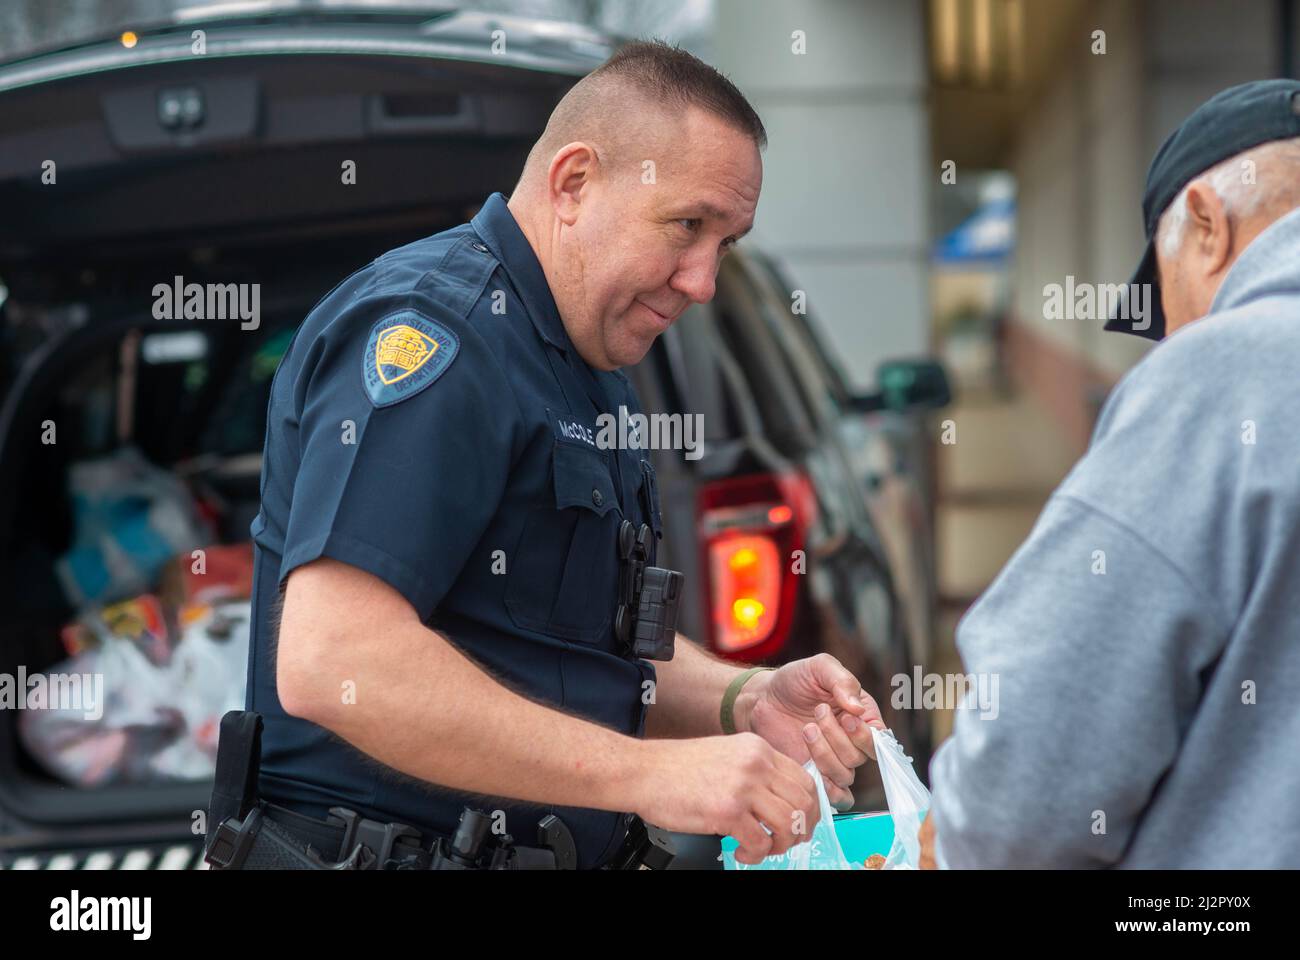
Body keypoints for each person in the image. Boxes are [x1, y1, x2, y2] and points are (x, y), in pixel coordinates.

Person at [235, 40, 885, 871]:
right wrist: (650, 775)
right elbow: (335, 661)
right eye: (688, 225)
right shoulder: (440, 334)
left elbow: (583, 654)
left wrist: (744, 699)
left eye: (725, 244)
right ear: (573, 184)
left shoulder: (587, 361)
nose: (703, 281)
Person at [921, 79, 1300, 868]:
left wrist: (955, 831)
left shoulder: (1224, 373)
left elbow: (1025, 794)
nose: (1171, 339)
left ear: (1206, 224)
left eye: (1166, 302)